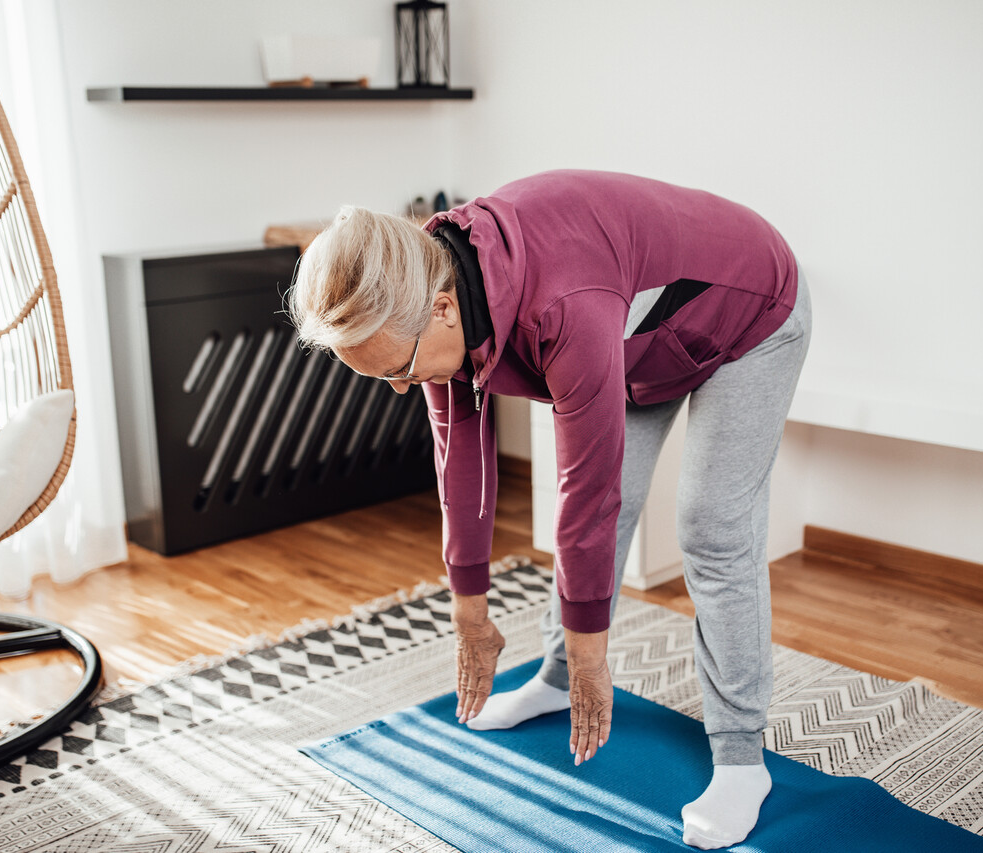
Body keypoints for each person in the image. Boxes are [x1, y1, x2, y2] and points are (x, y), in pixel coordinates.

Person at [287, 170, 810, 849]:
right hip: (643, 334)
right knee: (602, 521)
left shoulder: (561, 303)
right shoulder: (429, 282)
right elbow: (462, 466)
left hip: (750, 311)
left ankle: (742, 758)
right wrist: (470, 615)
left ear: (443, 311)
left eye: (399, 371)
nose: (398, 389)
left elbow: (586, 494)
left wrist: (601, 658)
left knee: (711, 529)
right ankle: (558, 678)